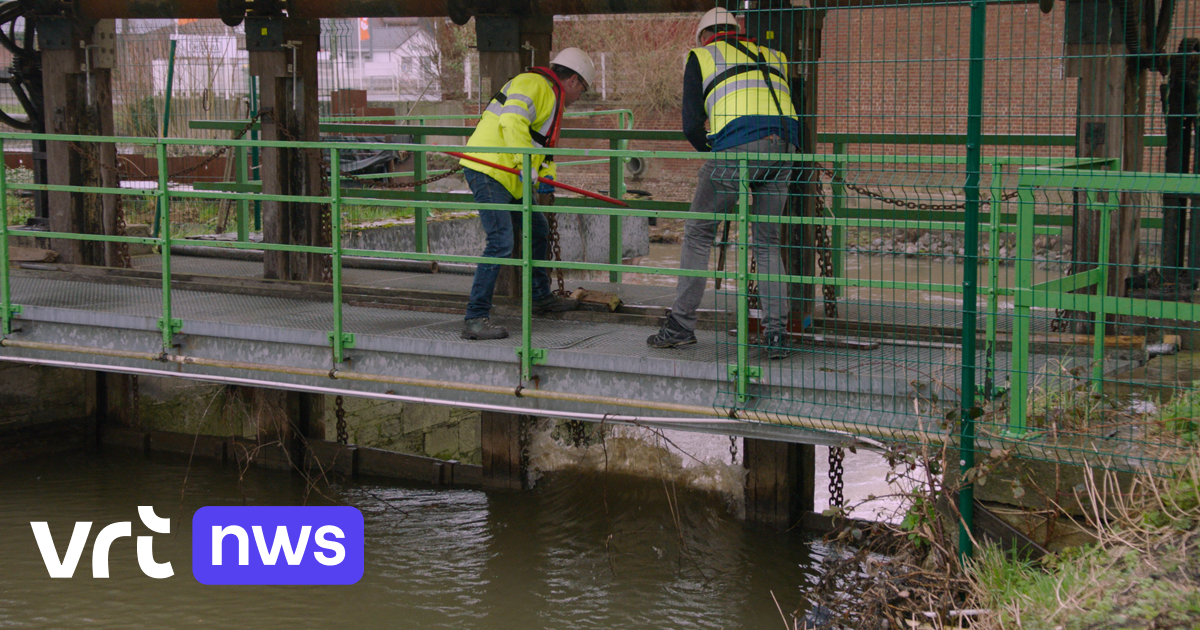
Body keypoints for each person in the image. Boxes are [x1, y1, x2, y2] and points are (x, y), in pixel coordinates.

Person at [646, 8, 802, 359]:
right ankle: (776, 335)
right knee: (766, 241)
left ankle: (681, 326)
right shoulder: (775, 56)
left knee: (699, 233)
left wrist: (714, 153)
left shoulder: (701, 56)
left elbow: (690, 124)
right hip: (785, 147)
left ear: (704, 37)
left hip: (738, 146)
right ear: (739, 30)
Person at [459, 48, 595, 340]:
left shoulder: (551, 98)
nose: (578, 97)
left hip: (510, 175)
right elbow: (511, 122)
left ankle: (540, 296)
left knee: (537, 229)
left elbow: (541, 147)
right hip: (491, 169)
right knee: (500, 242)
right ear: (572, 80)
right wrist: (524, 163)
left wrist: (546, 176)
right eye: (582, 90)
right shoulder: (534, 84)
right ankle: (475, 318)